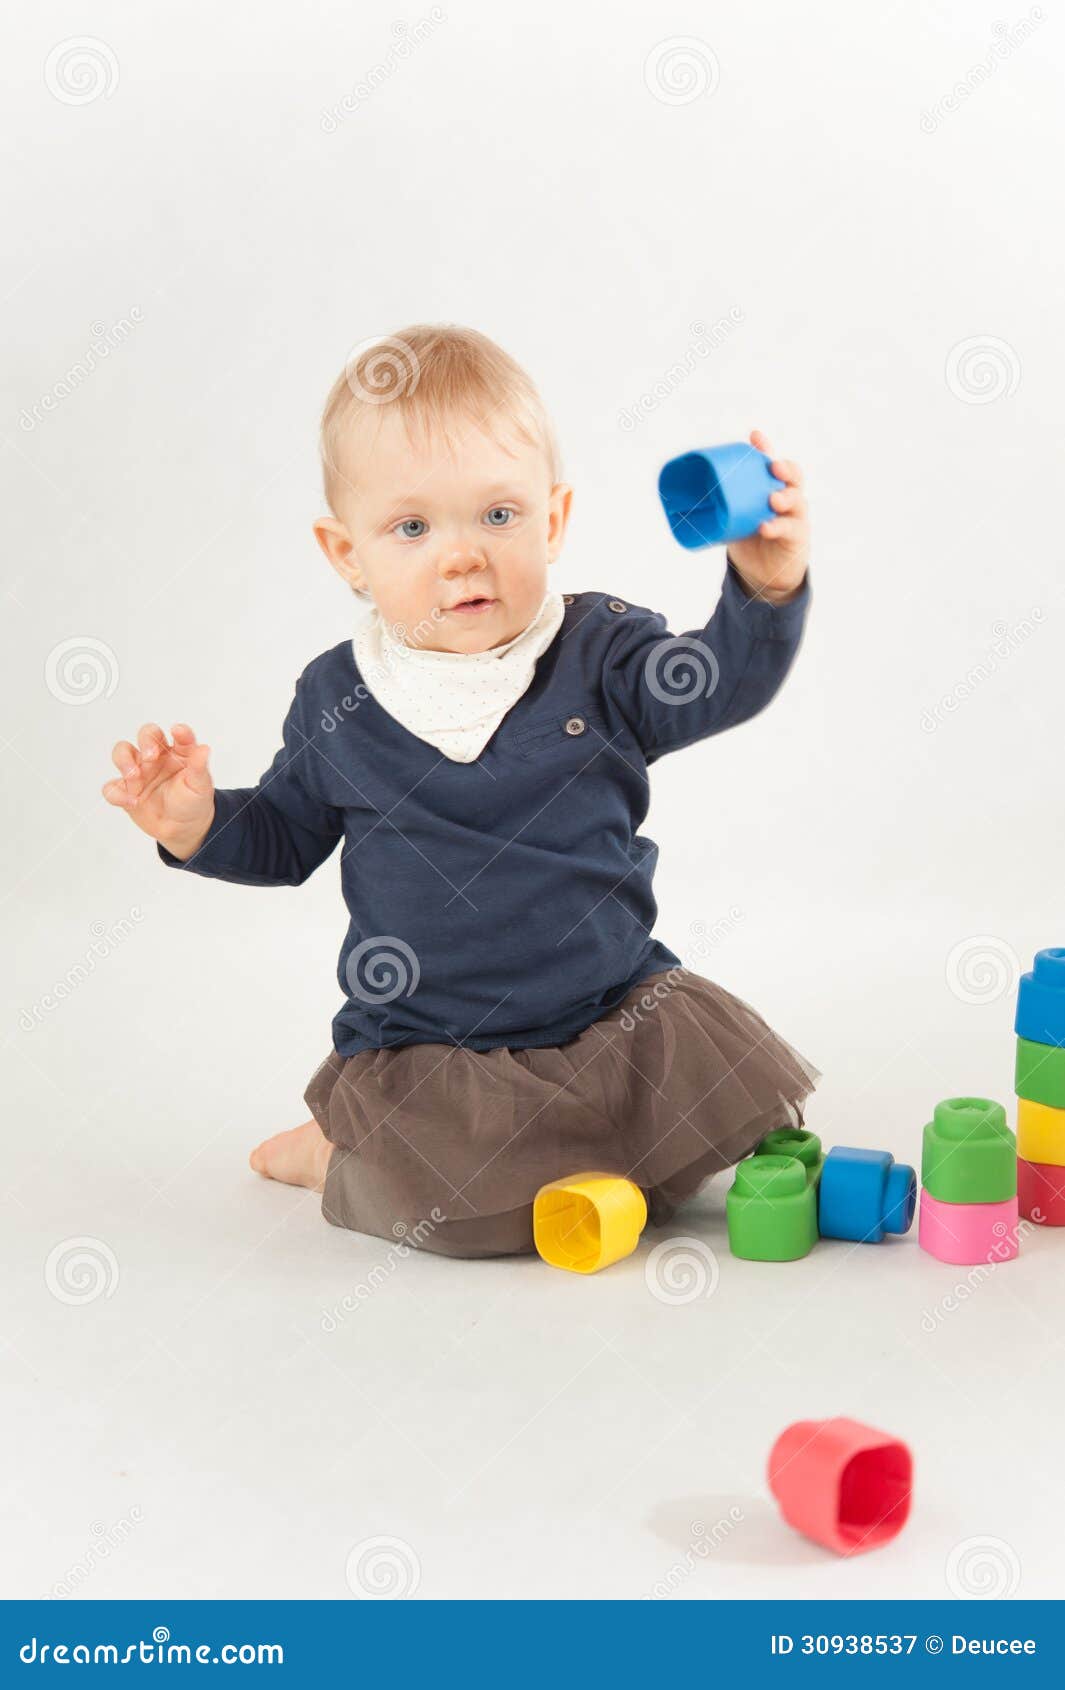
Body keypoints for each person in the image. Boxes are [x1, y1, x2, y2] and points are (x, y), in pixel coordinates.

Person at [102, 323, 820, 1259]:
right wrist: (196, 823)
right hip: (438, 1046)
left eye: (498, 516)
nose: (462, 556)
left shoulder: (599, 652)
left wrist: (761, 592)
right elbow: (282, 837)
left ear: (552, 521)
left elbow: (718, 683)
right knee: (464, 1216)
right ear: (345, 553)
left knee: (717, 1130)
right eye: (411, 527)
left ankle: (594, 1140)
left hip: (612, 1010)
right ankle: (336, 1154)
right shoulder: (339, 699)